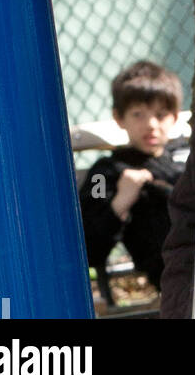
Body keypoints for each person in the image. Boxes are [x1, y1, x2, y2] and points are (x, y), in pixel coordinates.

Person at [78, 60, 188, 293]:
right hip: (174, 273)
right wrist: (119, 203)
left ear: (175, 117)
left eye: (161, 114)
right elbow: (88, 246)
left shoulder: (187, 155)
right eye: (138, 114)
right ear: (119, 117)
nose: (151, 124)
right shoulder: (105, 174)